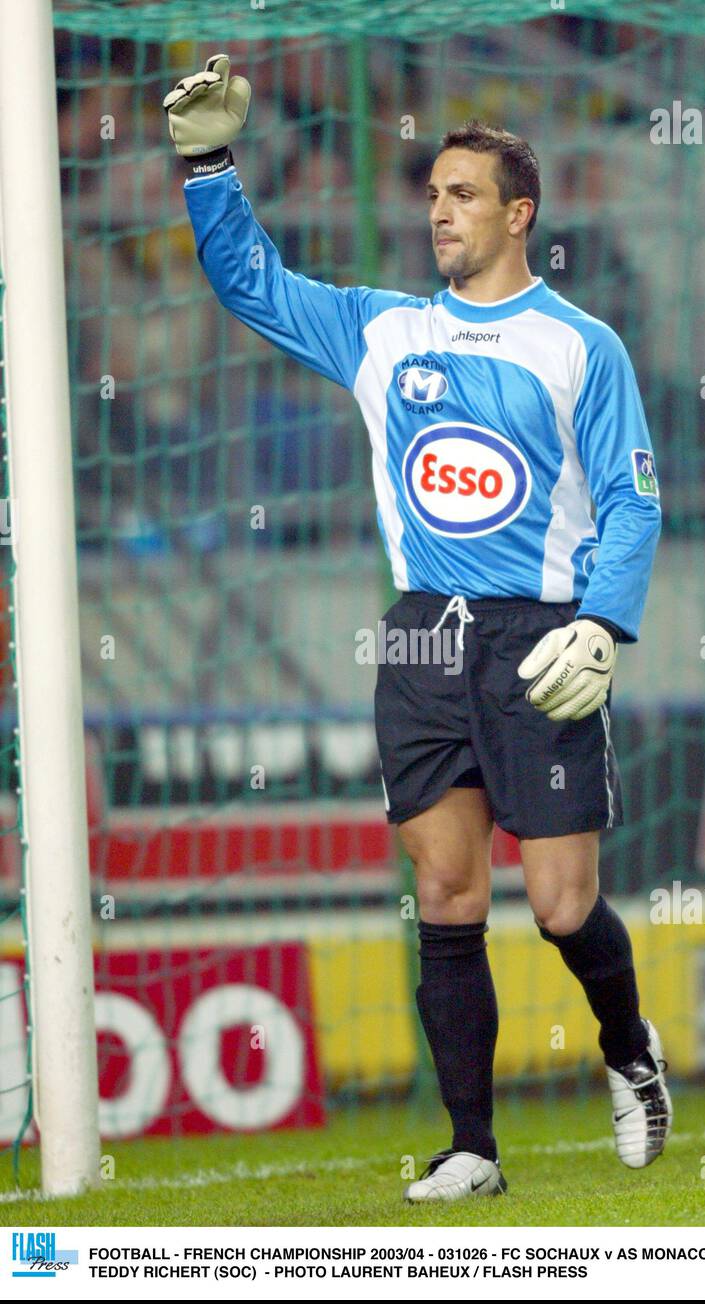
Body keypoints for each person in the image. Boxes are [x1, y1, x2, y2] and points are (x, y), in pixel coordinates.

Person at [164, 54, 672, 1204]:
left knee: (560, 905)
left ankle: (630, 1053)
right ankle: (471, 1149)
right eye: (432, 194)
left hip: (539, 640)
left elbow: (633, 495)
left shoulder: (581, 345)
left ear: (517, 214)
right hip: (420, 642)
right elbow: (252, 282)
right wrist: (207, 165)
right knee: (444, 897)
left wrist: (604, 626)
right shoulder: (379, 331)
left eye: (462, 195)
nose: (439, 211)